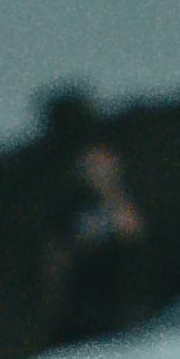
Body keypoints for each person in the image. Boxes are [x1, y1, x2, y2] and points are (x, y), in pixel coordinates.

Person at [41, 144, 153, 344]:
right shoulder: (71, 207)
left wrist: (111, 192)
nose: (98, 173)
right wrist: (55, 296)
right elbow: (57, 254)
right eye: (92, 167)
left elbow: (134, 232)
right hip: (80, 302)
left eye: (103, 166)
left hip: (117, 301)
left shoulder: (124, 202)